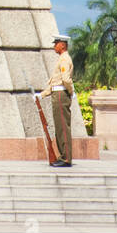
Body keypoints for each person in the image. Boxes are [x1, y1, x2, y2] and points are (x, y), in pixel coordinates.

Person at [41, 35, 75, 166]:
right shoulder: (61, 58)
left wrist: (71, 92)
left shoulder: (65, 59)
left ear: (63, 45)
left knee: (63, 127)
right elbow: (55, 81)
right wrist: (43, 94)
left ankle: (66, 158)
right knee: (59, 127)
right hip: (57, 93)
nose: (54, 46)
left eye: (56, 43)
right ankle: (62, 156)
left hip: (61, 94)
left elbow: (65, 79)